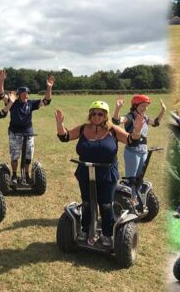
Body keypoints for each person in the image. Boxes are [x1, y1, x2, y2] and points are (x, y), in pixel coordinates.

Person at [55, 100, 134, 246]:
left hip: (107, 173)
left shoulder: (113, 130)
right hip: (85, 172)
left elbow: (131, 140)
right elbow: (64, 137)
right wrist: (60, 124)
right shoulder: (83, 128)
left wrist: (137, 130)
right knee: (87, 202)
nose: (96, 116)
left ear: (105, 115)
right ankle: (85, 230)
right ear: (90, 115)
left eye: (100, 114)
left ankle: (107, 234)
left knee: (106, 205)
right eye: (93, 113)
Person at [0, 69, 53, 184]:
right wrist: (2, 81)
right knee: (15, 155)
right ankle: (13, 175)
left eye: (27, 93)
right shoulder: (12, 102)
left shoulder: (31, 104)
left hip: (28, 132)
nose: (26, 95)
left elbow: (46, 101)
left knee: (28, 155)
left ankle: (26, 175)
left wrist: (49, 87)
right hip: (14, 132)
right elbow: (1, 95)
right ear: (19, 95)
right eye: (24, 94)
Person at [113, 94, 166, 184]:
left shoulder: (144, 117)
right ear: (135, 106)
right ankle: (128, 197)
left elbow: (156, 123)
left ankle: (135, 197)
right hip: (132, 152)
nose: (145, 108)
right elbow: (117, 120)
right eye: (142, 106)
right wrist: (118, 108)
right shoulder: (130, 117)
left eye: (146, 106)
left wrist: (163, 111)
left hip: (143, 152)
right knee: (130, 180)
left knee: (139, 180)